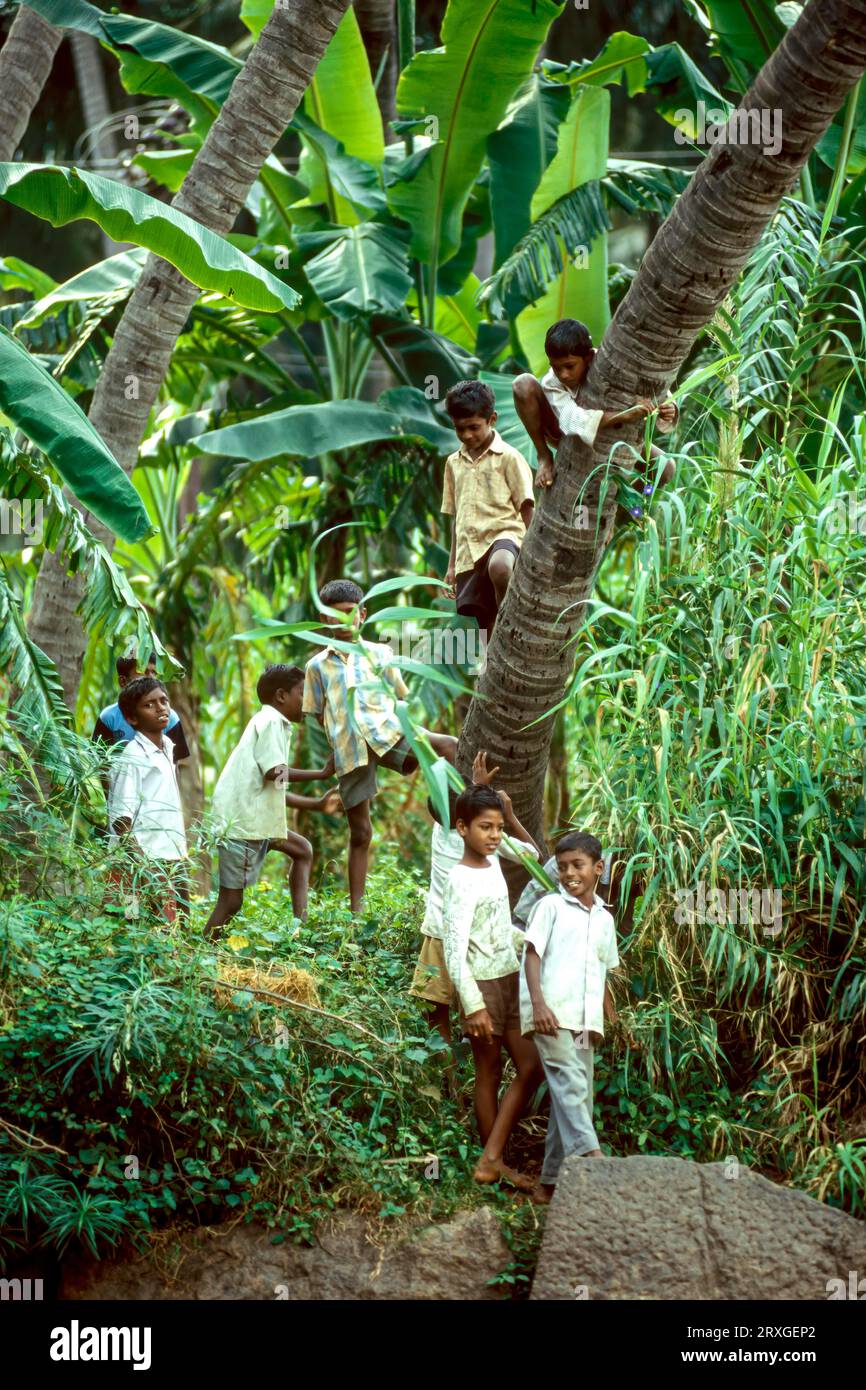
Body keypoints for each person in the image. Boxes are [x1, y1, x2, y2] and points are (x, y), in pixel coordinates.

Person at [303, 579, 457, 913]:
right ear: (324, 618)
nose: (344, 620)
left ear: (363, 614)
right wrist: (338, 740)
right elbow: (317, 713)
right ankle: (356, 913)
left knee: (449, 746)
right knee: (360, 832)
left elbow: (398, 696)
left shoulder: (380, 653)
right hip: (350, 748)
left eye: (350, 613)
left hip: (389, 733)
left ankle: (460, 816)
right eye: (336, 614)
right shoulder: (316, 666)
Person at [442, 784, 542, 1191]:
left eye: (498, 828)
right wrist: (473, 1005)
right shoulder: (460, 878)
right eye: (486, 827)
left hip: (510, 975)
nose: (495, 835)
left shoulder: (494, 857)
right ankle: (493, 1163)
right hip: (481, 984)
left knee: (531, 1067)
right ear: (462, 828)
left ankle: (491, 1158)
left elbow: (534, 858)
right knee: (488, 1072)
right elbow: (453, 949)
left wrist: (512, 817)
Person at [519, 831, 620, 1204]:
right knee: (570, 1086)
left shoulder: (605, 919)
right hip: (551, 1013)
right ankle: (593, 1159)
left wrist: (608, 1015)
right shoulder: (550, 907)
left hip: (585, 1021)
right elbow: (532, 955)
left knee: (577, 1097)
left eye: (577, 865)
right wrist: (539, 1004)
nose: (568, 873)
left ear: (598, 868)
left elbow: (603, 969)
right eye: (562, 867)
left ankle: (548, 1184)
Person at [205, 665, 341, 938]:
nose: (308, 702)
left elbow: (273, 787)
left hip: (254, 818)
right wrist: (323, 773)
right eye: (302, 694)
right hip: (243, 823)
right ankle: (202, 953)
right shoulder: (270, 722)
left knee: (302, 850)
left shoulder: (274, 724)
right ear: (281, 696)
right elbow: (274, 772)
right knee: (231, 901)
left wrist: (316, 804)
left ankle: (299, 930)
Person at [410, 752, 523, 1055]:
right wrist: (484, 793)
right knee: (476, 1010)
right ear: (462, 822)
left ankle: (447, 1073)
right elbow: (531, 855)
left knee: (437, 1015)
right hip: (473, 938)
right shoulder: (481, 842)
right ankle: (462, 1056)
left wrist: (476, 789)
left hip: (437, 933)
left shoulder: (446, 832)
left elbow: (457, 806)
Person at [512, 317, 678, 492]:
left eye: (569, 366)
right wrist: (626, 414)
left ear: (589, 357)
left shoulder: (608, 364)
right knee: (522, 384)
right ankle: (544, 457)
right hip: (563, 433)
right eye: (556, 367)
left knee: (666, 469)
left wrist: (668, 407)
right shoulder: (551, 382)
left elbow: (652, 386)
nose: (563, 375)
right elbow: (572, 421)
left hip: (617, 433)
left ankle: (626, 509)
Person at [442, 379, 535, 638]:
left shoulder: (509, 457)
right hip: (469, 550)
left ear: (491, 419)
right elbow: (457, 516)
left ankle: (511, 615)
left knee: (501, 567)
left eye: (474, 427)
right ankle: (491, 663)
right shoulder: (453, 464)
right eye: (460, 429)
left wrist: (535, 551)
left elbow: (527, 506)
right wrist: (451, 567)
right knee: (485, 622)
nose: (467, 435)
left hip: (505, 538)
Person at [107, 676, 189, 923]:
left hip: (167, 856)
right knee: (130, 921)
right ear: (132, 718)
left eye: (164, 701)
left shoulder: (168, 746)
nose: (161, 708)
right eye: (149, 704)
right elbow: (121, 819)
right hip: (138, 860)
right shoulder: (132, 757)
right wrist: (143, 867)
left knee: (167, 924)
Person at [93, 653, 190, 765]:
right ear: (123, 681)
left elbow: (174, 765)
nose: (151, 679)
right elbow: (102, 766)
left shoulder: (168, 717)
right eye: (143, 672)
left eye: (154, 672)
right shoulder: (109, 718)